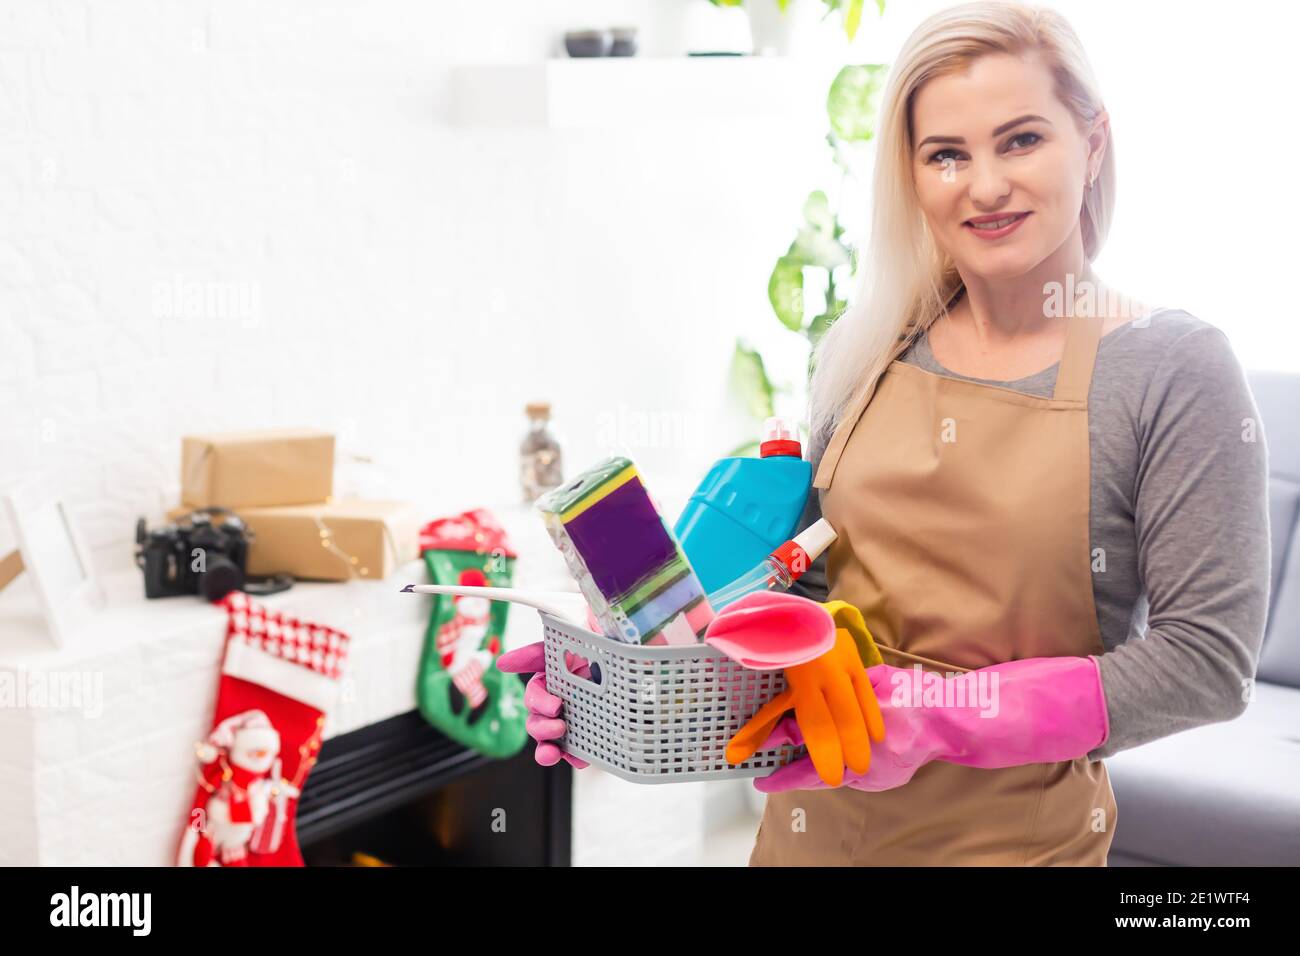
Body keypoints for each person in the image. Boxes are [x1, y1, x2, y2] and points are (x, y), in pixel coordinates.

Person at [499, 0, 1270, 866]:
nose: (983, 185)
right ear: (910, 174)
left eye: (1021, 140)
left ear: (1092, 144)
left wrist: (936, 719)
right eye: (946, 154)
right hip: (807, 840)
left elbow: (1208, 661)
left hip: (1014, 849)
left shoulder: (1173, 368)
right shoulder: (865, 352)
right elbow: (793, 599)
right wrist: (624, 677)